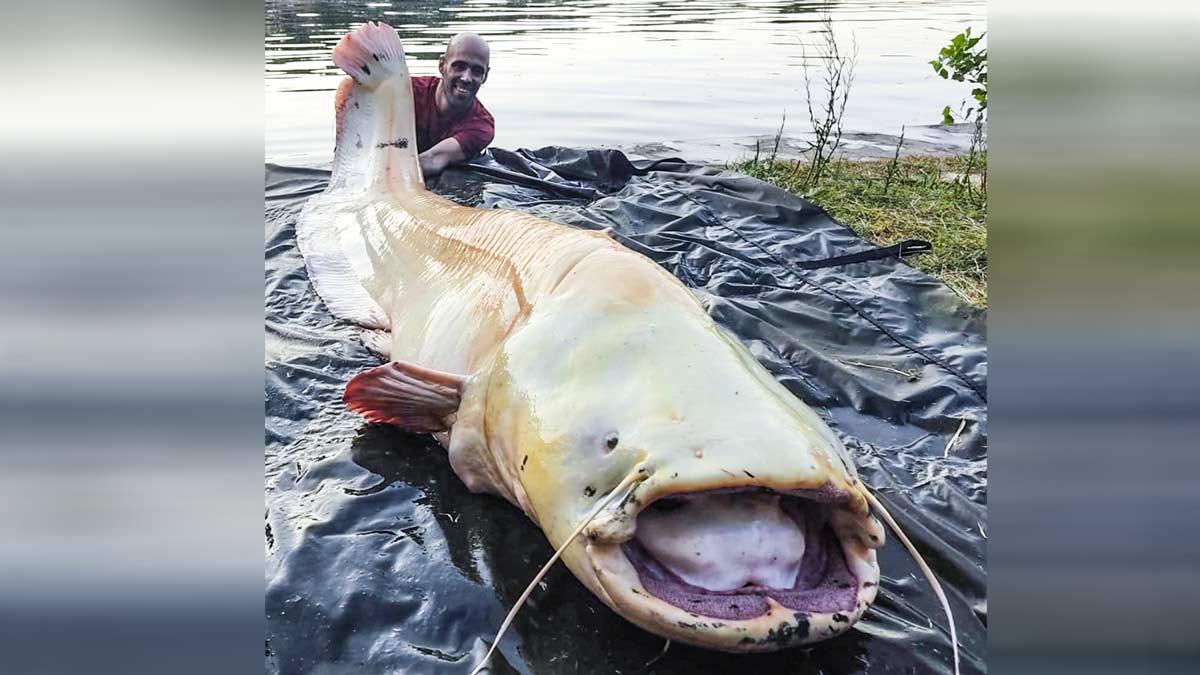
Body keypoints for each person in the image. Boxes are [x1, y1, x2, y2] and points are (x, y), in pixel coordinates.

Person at [412, 32, 495, 177]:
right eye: (459, 66)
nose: (466, 78)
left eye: (476, 71)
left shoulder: (481, 126)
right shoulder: (407, 92)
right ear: (442, 65)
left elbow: (432, 160)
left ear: (485, 76)